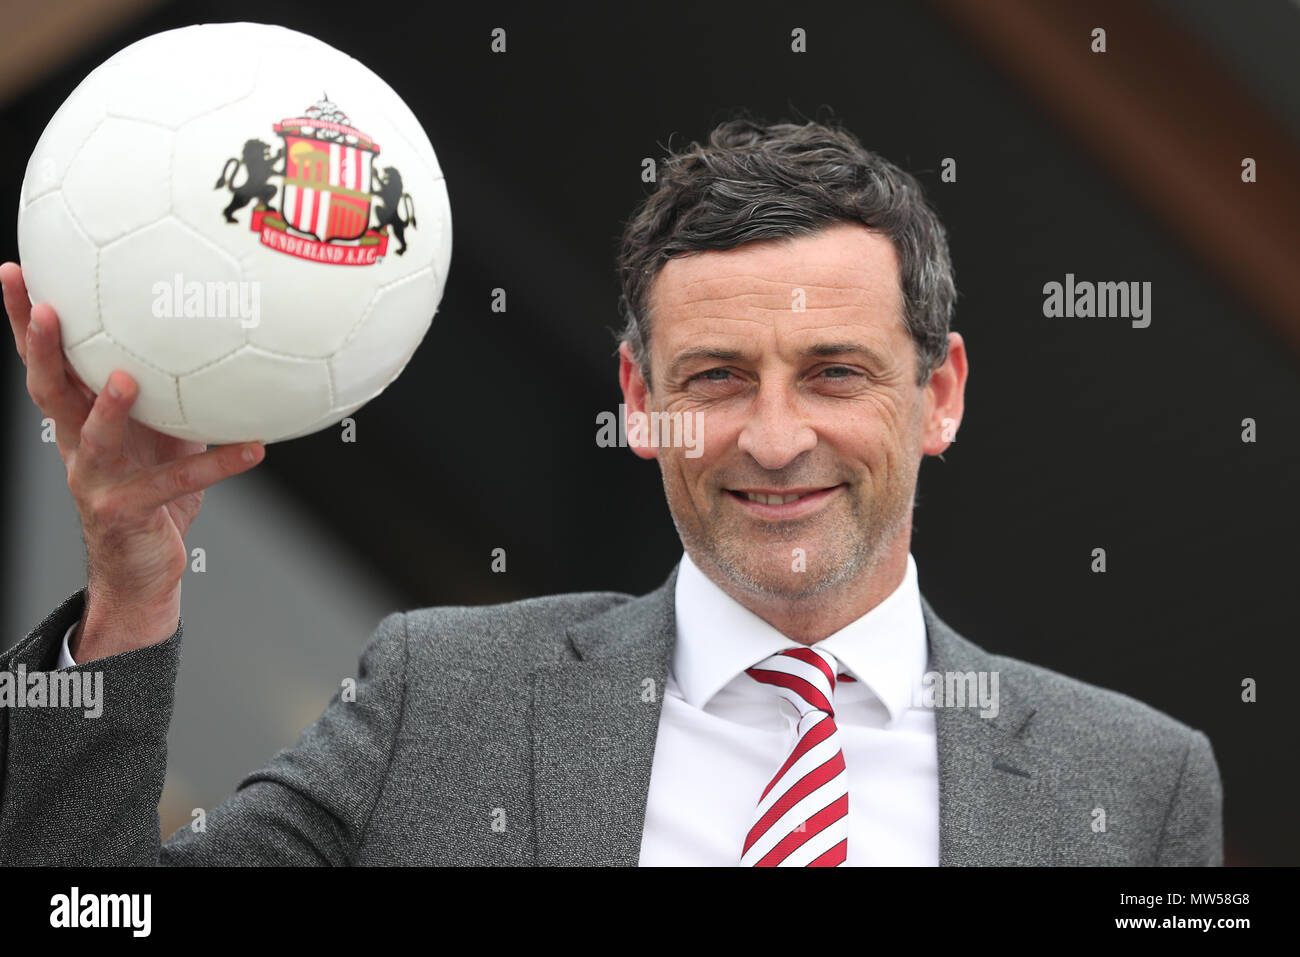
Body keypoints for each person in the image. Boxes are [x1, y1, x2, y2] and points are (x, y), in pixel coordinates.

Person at [0, 117, 1221, 866]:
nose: (776, 437)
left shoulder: (1133, 787)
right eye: (717, 379)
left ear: (940, 391)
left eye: (835, 374)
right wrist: (130, 591)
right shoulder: (443, 701)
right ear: (638, 400)